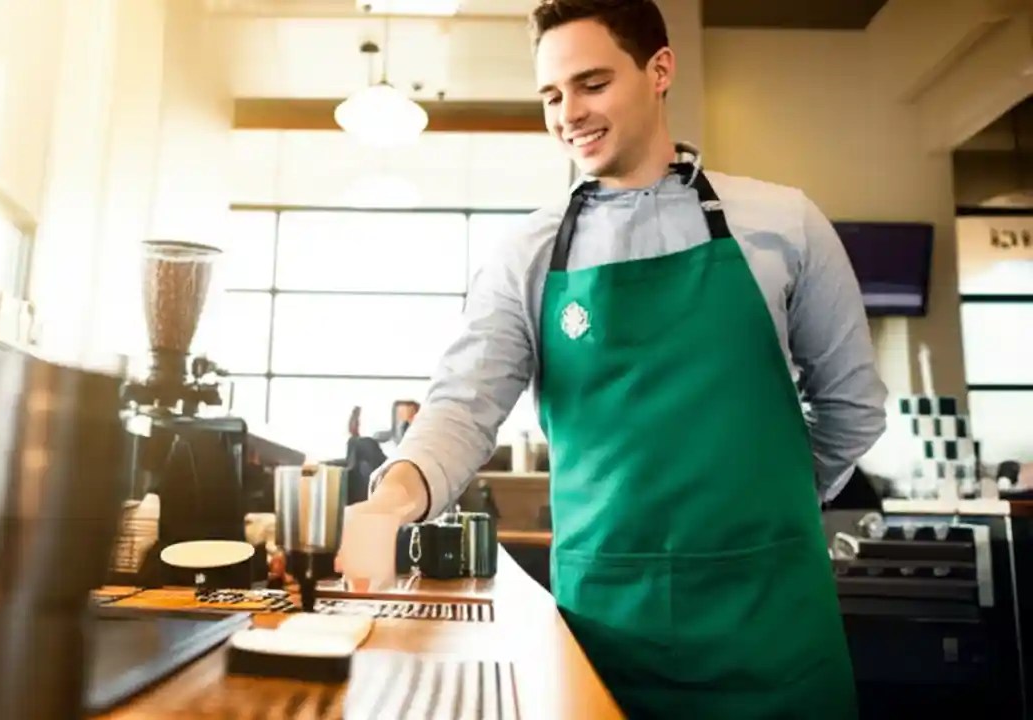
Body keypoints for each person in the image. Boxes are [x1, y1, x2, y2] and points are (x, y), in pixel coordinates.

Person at [335, 0, 888, 717]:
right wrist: (389, 505)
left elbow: (853, 406)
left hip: (773, 630)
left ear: (660, 70)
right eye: (551, 94)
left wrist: (766, 507)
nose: (569, 114)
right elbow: (463, 409)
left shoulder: (783, 224)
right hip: (604, 636)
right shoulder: (526, 256)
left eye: (591, 84)